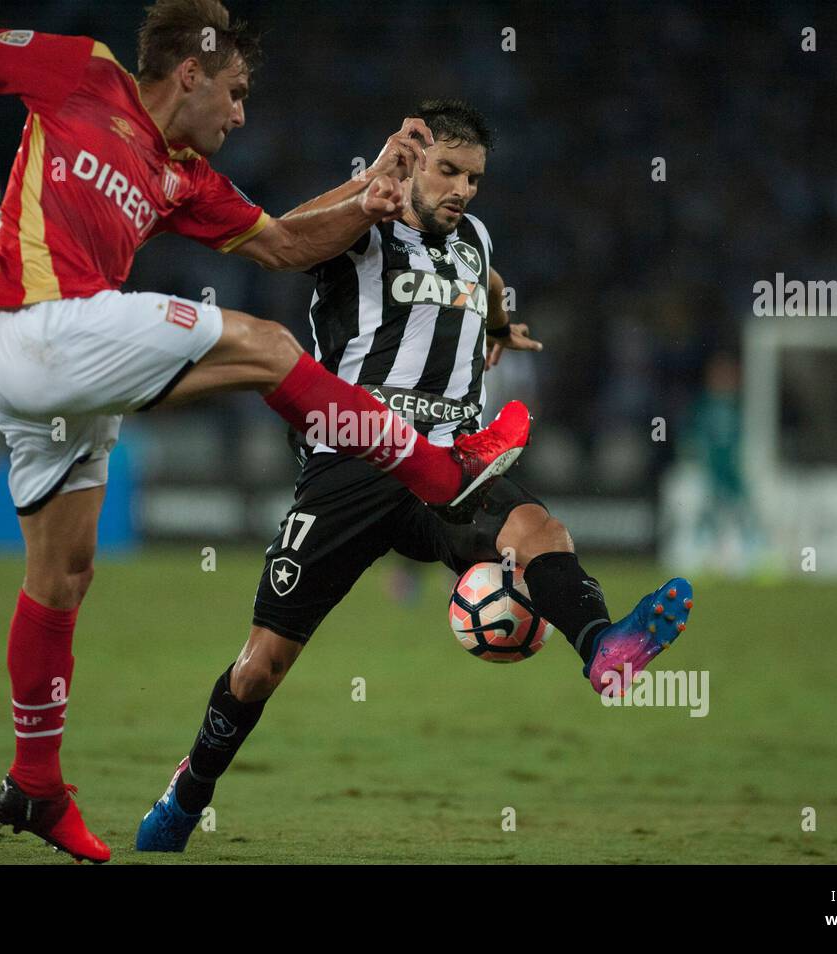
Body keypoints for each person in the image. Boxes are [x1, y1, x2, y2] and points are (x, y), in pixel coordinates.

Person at [0, 0, 531, 863]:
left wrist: (370, 191)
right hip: (38, 326)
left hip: (62, 389)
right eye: (232, 92)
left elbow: (283, 245)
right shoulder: (85, 72)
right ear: (189, 70)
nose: (240, 113)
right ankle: (436, 472)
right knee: (267, 346)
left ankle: (35, 786)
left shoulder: (182, 176)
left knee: (63, 577)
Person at [134, 99, 695, 853]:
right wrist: (369, 182)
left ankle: (601, 647)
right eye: (448, 170)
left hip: (452, 460)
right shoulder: (359, 219)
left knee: (540, 530)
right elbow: (286, 242)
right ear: (413, 160)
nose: (462, 189)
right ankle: (188, 793)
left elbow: (488, 276)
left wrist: (497, 324)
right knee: (263, 664)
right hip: (354, 459)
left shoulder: (475, 239)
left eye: (474, 178)